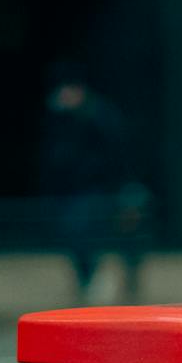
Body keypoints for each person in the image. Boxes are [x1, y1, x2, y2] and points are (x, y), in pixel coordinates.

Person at [39, 65, 130, 297]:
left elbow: (115, 155)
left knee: (85, 234)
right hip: (71, 190)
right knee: (74, 236)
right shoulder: (61, 117)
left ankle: (96, 279)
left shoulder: (98, 115)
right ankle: (88, 280)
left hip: (94, 188)